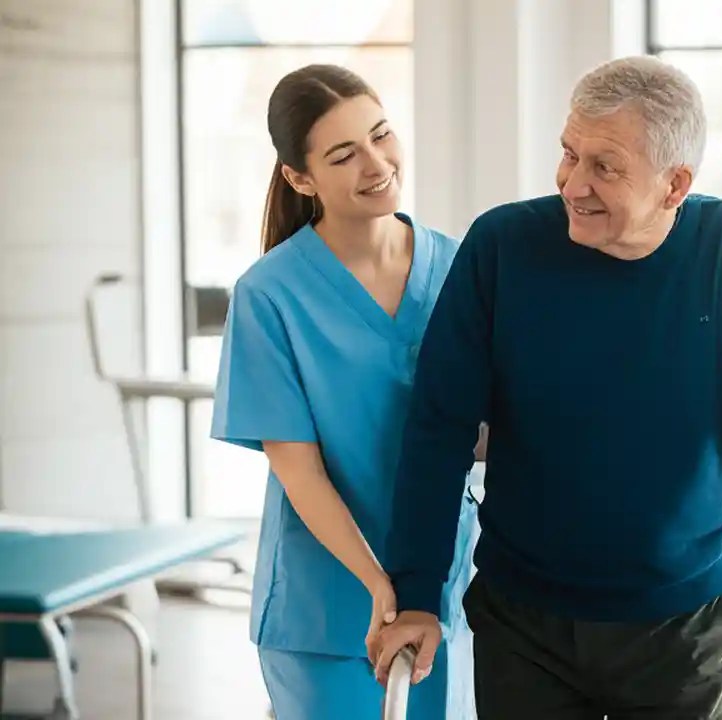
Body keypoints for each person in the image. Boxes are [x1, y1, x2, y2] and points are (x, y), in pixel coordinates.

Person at [373, 55, 722, 718]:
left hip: (682, 619)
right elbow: (439, 428)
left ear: (675, 185)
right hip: (525, 620)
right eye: (568, 153)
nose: (573, 184)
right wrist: (416, 594)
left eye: (604, 167)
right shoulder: (502, 247)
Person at [210, 64, 479, 720]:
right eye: (343, 154)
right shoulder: (269, 295)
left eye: (381, 135)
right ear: (301, 179)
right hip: (326, 605)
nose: (376, 162)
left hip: (450, 592)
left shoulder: (462, 266)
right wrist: (380, 586)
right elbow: (298, 472)